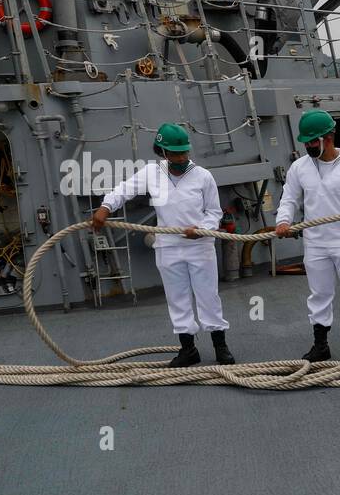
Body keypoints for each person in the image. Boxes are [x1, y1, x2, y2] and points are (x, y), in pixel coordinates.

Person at [91, 123, 235, 367]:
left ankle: (220, 346)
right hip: (168, 247)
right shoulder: (151, 173)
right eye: (176, 153)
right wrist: (105, 208)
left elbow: (213, 211)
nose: (181, 157)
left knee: (208, 297)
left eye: (184, 152)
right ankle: (188, 350)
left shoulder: (203, 176)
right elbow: (123, 190)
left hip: (200, 246)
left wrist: (203, 230)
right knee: (177, 298)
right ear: (163, 152)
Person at [274, 109, 340, 366]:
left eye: (312, 141)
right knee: (319, 294)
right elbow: (289, 198)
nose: (308, 146)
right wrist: (283, 220)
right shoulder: (299, 168)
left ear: (328, 138)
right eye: (306, 142)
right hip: (315, 242)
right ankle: (321, 345)